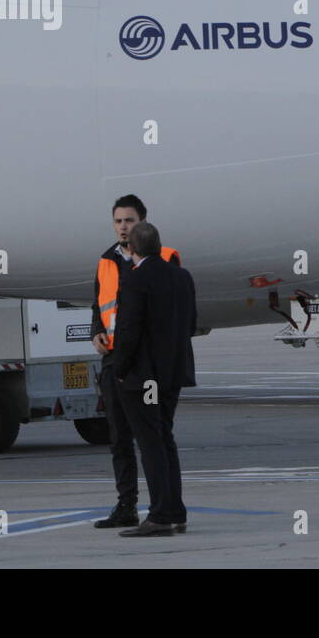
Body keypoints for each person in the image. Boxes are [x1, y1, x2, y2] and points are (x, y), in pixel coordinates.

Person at [90, 195, 181, 529]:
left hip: (146, 365)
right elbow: (98, 304)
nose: (123, 227)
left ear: (142, 222)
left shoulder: (165, 259)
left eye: (129, 221)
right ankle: (126, 503)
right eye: (118, 221)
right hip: (115, 358)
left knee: (154, 436)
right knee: (119, 437)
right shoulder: (105, 261)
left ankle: (165, 508)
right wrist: (96, 331)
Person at [111, 222, 198, 537]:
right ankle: (175, 511)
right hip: (174, 373)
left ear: (132, 250)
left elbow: (129, 331)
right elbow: (191, 323)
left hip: (146, 379)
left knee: (150, 444)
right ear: (160, 247)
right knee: (164, 439)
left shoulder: (135, 279)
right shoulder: (182, 277)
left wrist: (118, 369)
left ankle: (161, 514)